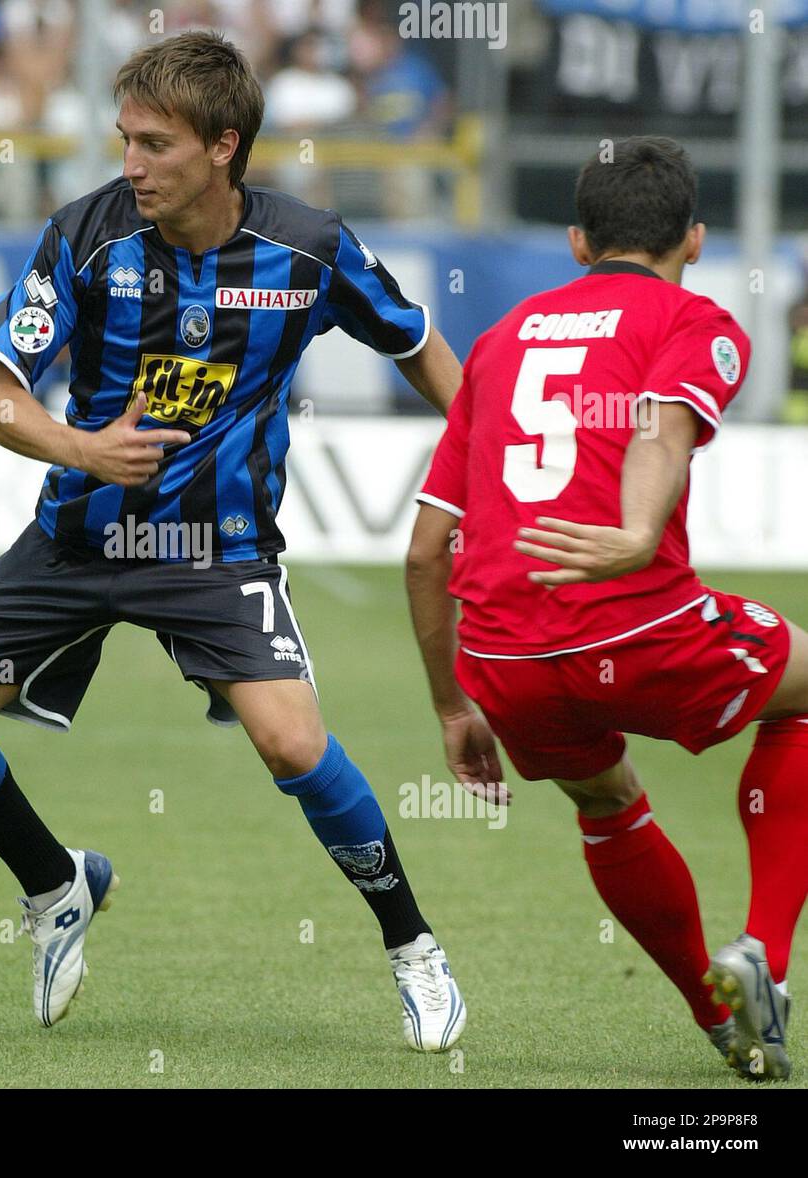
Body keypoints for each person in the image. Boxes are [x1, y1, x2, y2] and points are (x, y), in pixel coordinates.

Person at [0, 31, 469, 1049]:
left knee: (292, 740)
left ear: (223, 147)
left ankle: (413, 946)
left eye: (155, 143)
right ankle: (54, 883)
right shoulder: (83, 237)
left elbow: (419, 345)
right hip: (76, 539)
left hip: (217, 546)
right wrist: (81, 446)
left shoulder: (308, 247)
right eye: (124, 139)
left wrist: (479, 474)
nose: (131, 163)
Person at [406, 136, 808, 1080]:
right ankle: (764, 960)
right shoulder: (692, 319)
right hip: (636, 621)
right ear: (697, 240)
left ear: (578, 243)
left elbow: (427, 551)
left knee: (606, 801)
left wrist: (453, 705)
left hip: (502, 658)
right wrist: (634, 534)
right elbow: (664, 430)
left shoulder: (501, 342)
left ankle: (721, 1025)